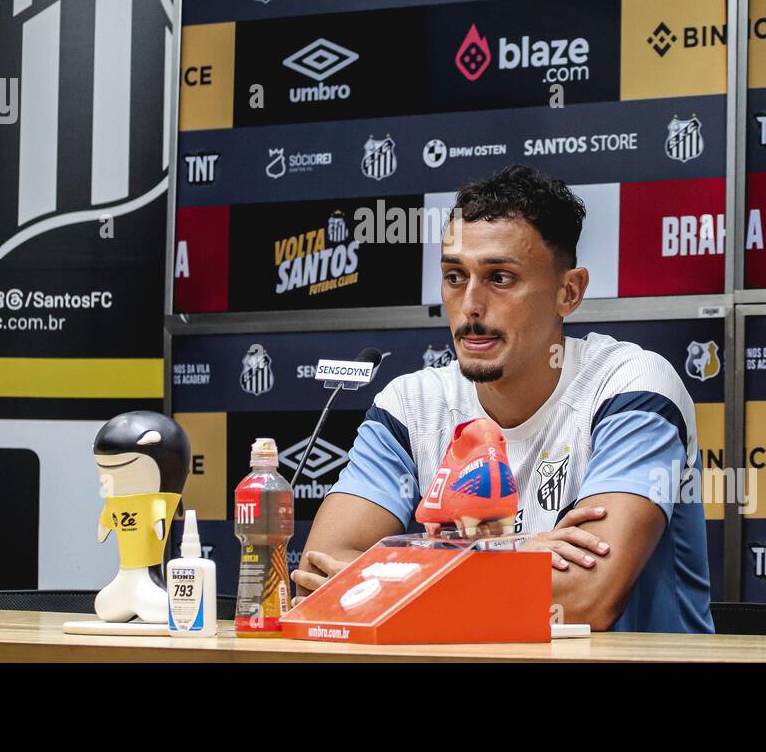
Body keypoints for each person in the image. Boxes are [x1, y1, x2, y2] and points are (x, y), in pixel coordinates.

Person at [293, 165, 714, 633]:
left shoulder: (630, 386)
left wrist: (395, 571)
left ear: (568, 292)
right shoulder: (412, 403)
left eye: (499, 278)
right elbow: (318, 575)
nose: (471, 305)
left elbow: (585, 599)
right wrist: (512, 555)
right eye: (455, 276)